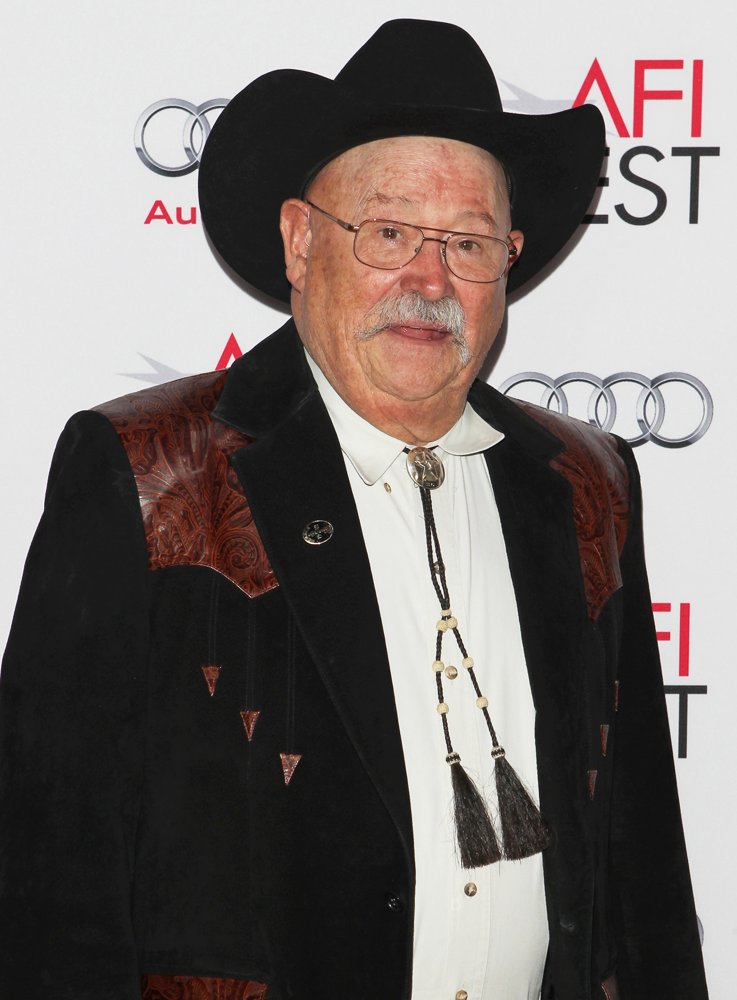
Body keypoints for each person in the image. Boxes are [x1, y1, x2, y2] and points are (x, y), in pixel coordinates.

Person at [0, 18, 708, 1000]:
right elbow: (47, 886)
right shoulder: (145, 473)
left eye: (464, 241)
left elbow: (643, 874)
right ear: (301, 241)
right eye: (386, 232)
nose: (428, 280)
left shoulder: (588, 480)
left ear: (506, 258)